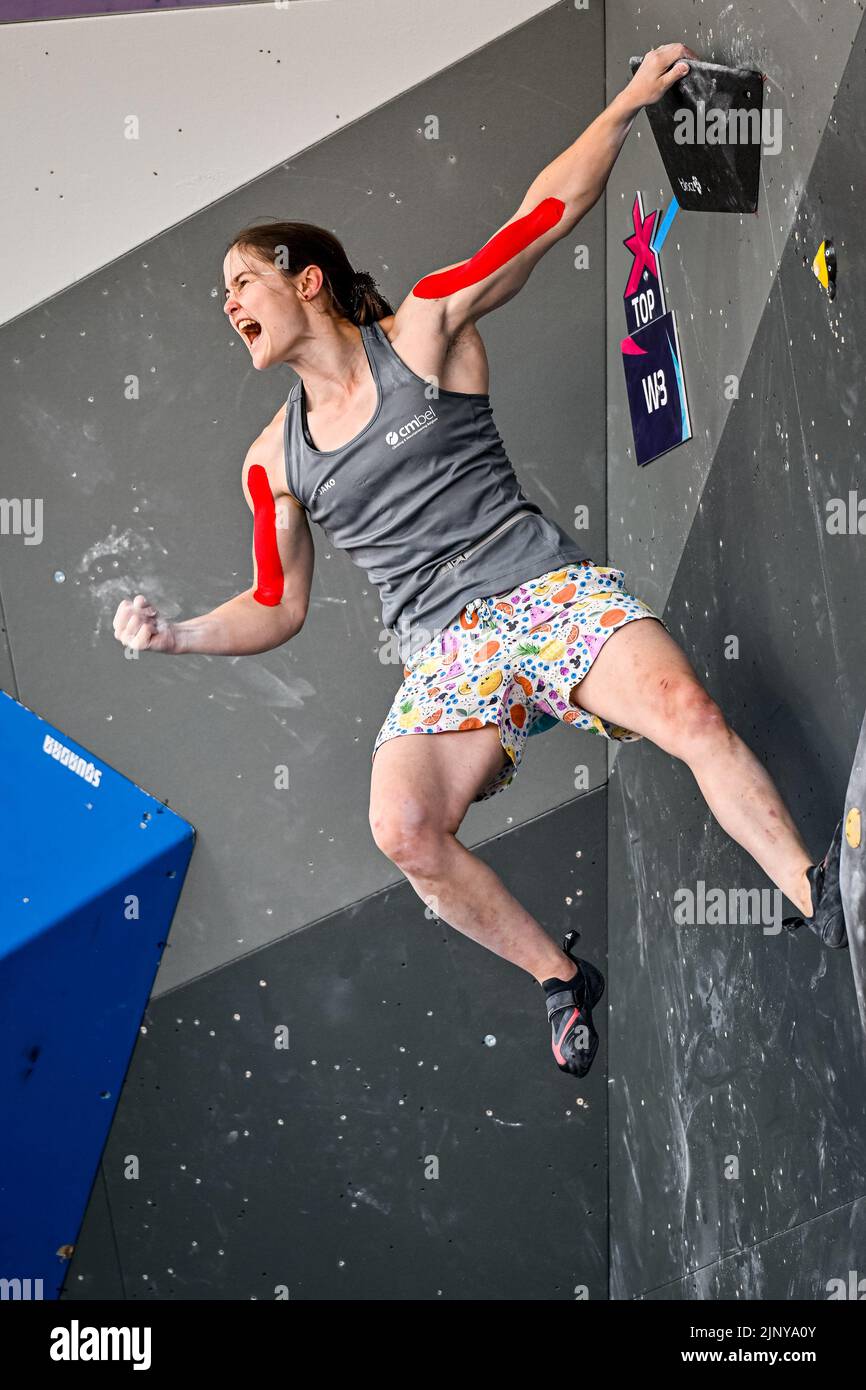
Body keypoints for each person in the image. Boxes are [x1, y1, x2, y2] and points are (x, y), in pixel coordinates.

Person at [113, 43, 846, 1080]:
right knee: (402, 828)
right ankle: (559, 976)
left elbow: (541, 213)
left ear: (304, 280)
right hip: (446, 652)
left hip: (536, 587)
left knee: (685, 713)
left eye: (241, 280)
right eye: (220, 293)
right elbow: (275, 606)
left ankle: (817, 897)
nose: (228, 302)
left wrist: (632, 102)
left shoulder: (423, 329)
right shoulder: (269, 459)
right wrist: (179, 632)